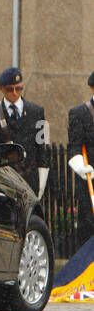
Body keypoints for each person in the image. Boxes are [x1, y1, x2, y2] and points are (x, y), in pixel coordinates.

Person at [0, 67, 49, 196]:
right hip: (2, 178)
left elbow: (41, 146)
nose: (15, 93)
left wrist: (42, 181)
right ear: (1, 88)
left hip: (29, 178)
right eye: (9, 89)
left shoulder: (37, 112)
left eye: (19, 88)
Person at [67, 71, 94, 246]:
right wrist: (80, 166)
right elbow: (74, 146)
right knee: (88, 229)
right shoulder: (80, 113)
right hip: (90, 181)